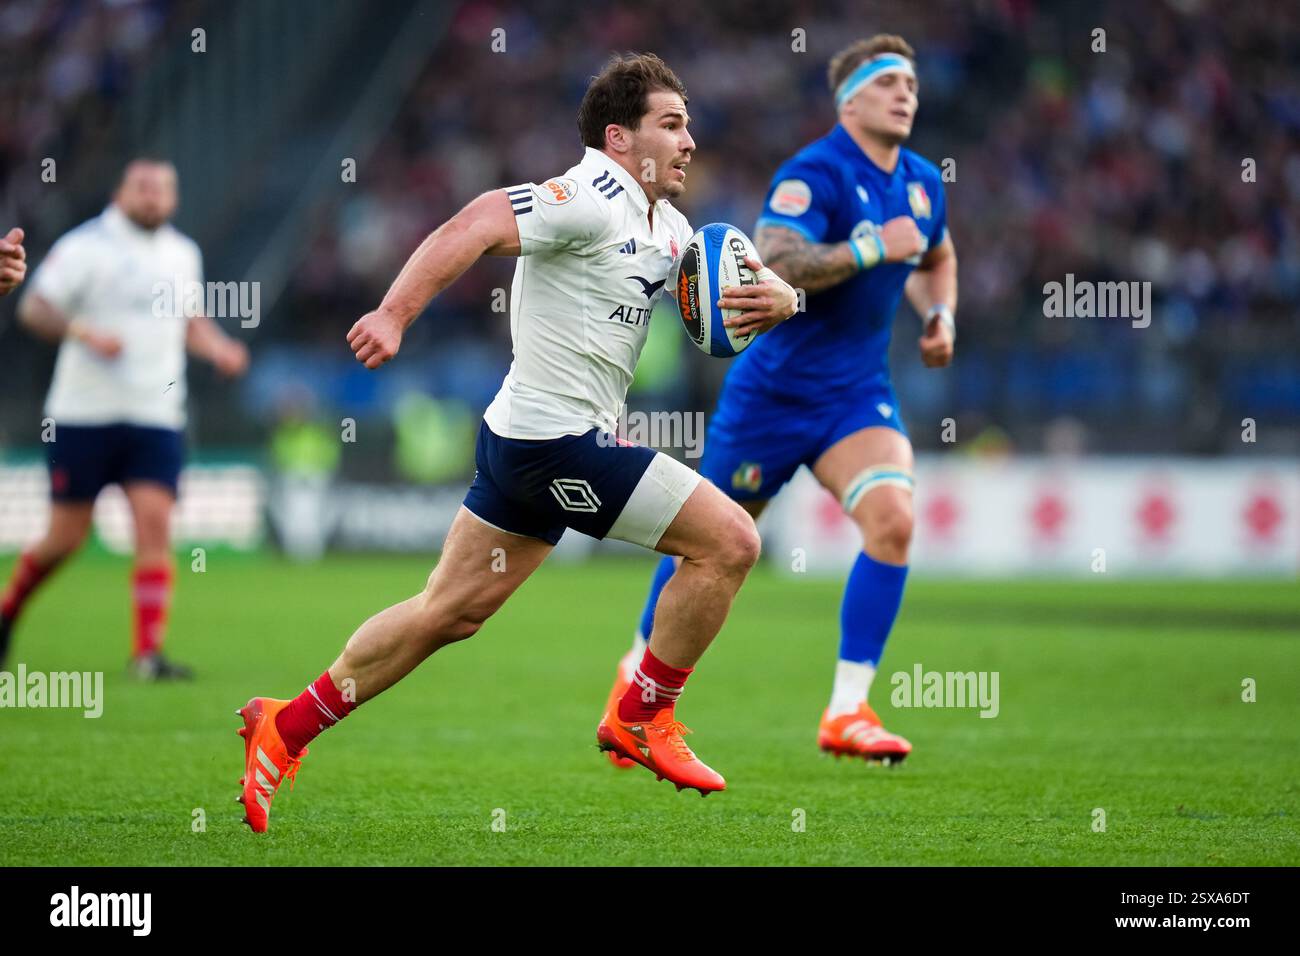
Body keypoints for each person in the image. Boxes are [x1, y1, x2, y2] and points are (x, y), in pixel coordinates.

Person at [234, 53, 798, 832]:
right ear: (619, 138)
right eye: (671, 124)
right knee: (730, 542)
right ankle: (642, 714)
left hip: (522, 441)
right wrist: (395, 314)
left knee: (446, 613)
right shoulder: (587, 196)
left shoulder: (667, 228)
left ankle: (285, 726)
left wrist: (782, 297)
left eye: (689, 124)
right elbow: (472, 224)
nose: (689, 140)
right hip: (555, 442)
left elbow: (721, 299)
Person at [601, 35, 957, 766]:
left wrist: (939, 312)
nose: (906, 94)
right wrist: (868, 248)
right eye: (890, 82)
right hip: (772, 398)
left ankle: (848, 710)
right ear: (850, 99)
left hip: (857, 394)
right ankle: (632, 683)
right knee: (703, 544)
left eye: (913, 84)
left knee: (893, 520)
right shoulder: (815, 172)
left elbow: (935, 253)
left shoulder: (923, 181)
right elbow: (779, 256)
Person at [0, 159, 249, 676]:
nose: (154, 197)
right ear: (121, 193)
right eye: (144, 187)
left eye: (163, 189)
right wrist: (85, 333)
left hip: (156, 413)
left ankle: (147, 654)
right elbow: (33, 308)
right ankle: (6, 614)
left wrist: (219, 348)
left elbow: (189, 320)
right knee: (65, 539)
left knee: (155, 526)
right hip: (83, 414)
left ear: (174, 199)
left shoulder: (184, 253)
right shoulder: (85, 246)